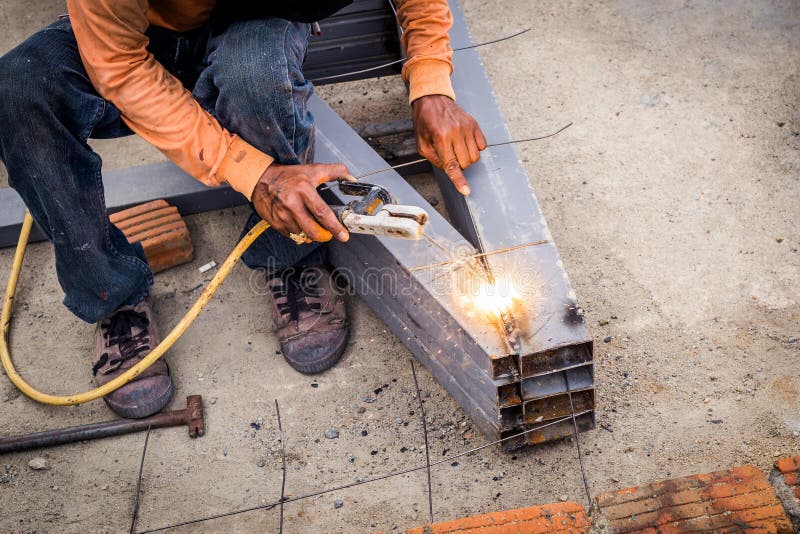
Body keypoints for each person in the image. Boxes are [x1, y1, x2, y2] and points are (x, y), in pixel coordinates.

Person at [0, 0, 486, 419]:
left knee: (255, 72)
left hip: (249, 20)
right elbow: (121, 67)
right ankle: (111, 295)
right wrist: (254, 173)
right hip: (142, 34)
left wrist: (430, 81)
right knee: (20, 91)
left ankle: (288, 256)